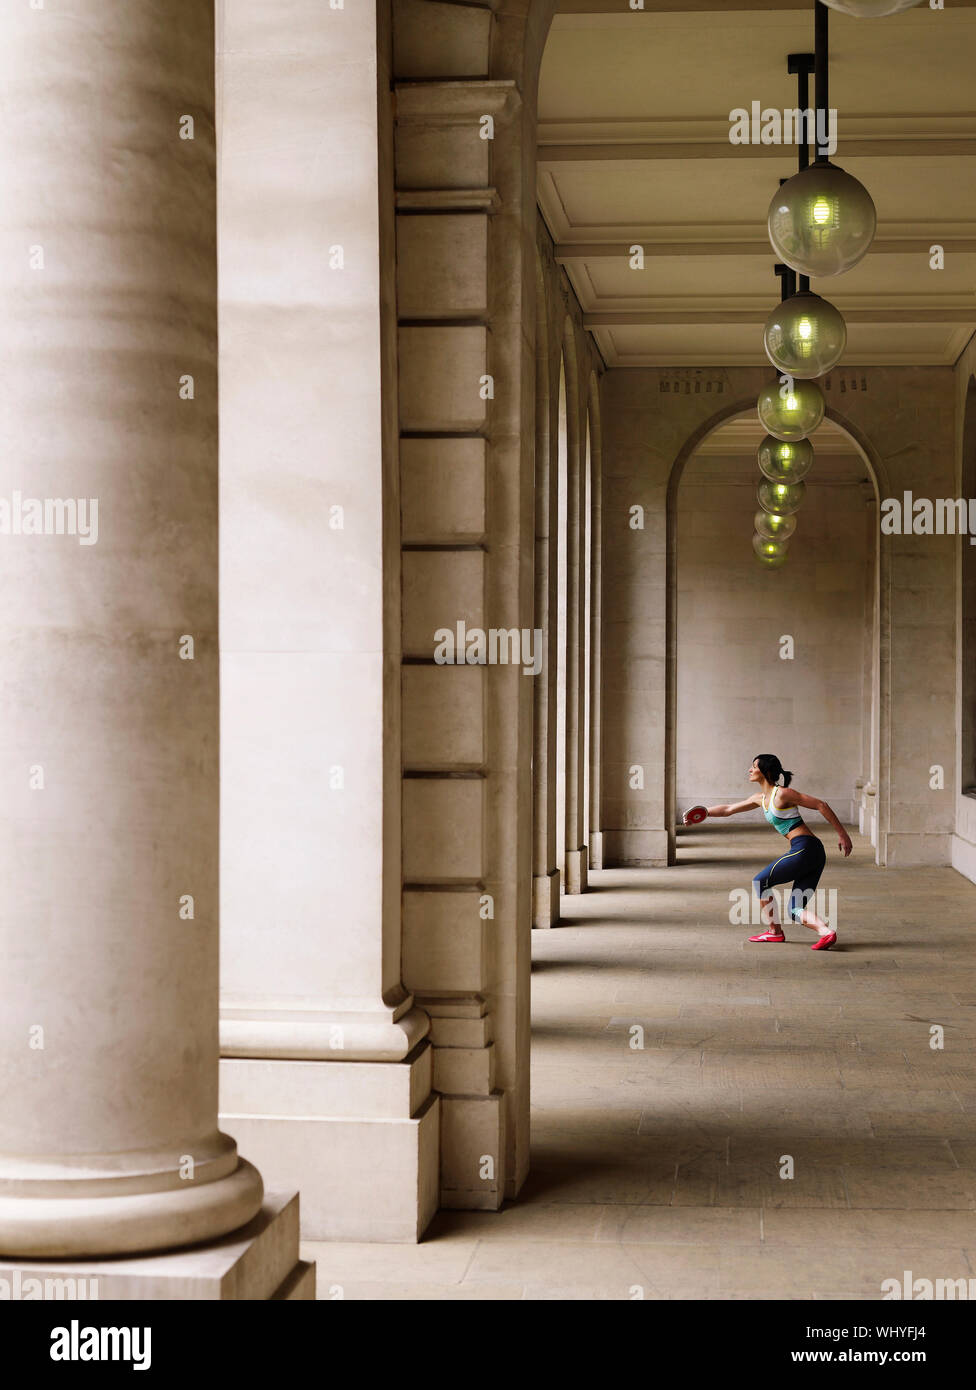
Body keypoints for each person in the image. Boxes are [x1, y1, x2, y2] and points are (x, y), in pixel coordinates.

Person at [684, 754, 852, 950]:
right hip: (812, 853)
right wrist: (701, 813)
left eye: (753, 766)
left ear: (766, 772)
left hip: (805, 848)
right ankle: (826, 933)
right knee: (795, 909)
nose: (749, 770)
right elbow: (728, 809)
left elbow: (821, 805)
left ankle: (775, 932)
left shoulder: (783, 793)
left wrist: (843, 835)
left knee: (760, 881)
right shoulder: (759, 798)